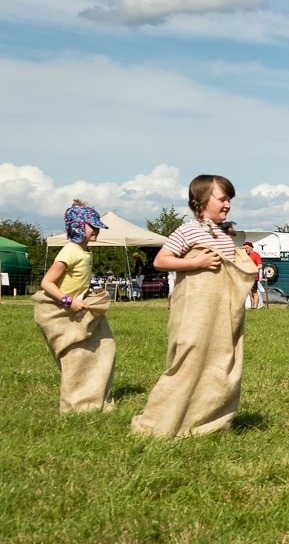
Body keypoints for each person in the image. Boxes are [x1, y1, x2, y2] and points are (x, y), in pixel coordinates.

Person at [132, 175, 257, 438]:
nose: (227, 205)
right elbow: (162, 261)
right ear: (199, 202)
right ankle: (158, 422)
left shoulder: (224, 234)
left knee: (220, 363)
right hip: (195, 312)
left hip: (221, 312)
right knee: (188, 359)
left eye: (229, 200)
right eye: (222, 199)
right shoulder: (188, 230)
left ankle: (203, 422)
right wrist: (196, 263)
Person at [33, 201, 115, 412]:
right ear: (78, 226)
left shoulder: (84, 251)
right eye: (91, 226)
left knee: (104, 348)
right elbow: (46, 283)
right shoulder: (69, 252)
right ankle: (77, 403)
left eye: (97, 226)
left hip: (79, 306)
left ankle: (95, 396)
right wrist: (68, 301)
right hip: (61, 310)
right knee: (75, 357)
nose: (96, 230)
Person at [243, 241, 263, 309]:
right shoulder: (246, 256)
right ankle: (252, 307)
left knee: (254, 292)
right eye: (245, 248)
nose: (246, 249)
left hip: (254, 276)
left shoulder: (255, 255)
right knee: (250, 293)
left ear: (251, 247)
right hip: (247, 276)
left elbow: (260, 265)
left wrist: (253, 269)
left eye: (247, 248)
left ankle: (255, 307)